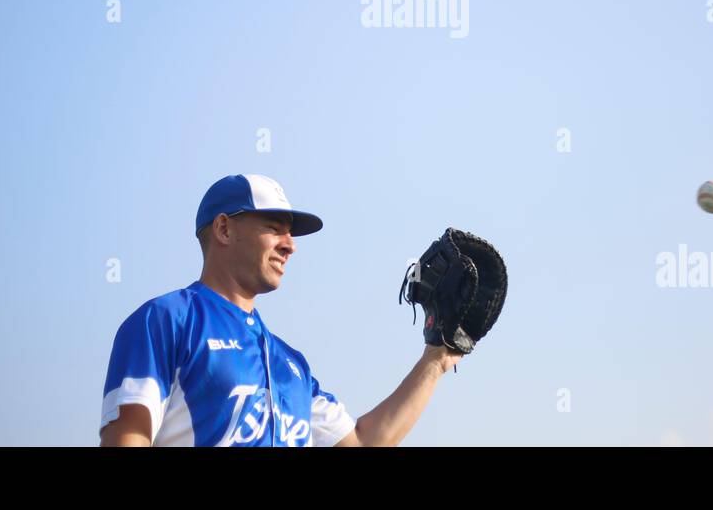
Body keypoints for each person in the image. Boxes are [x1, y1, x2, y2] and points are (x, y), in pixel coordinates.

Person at [99, 174, 462, 446]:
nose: (289, 246)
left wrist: (437, 359)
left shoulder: (291, 364)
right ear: (224, 228)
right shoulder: (168, 320)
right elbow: (128, 437)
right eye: (275, 229)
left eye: (290, 234)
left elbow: (362, 442)